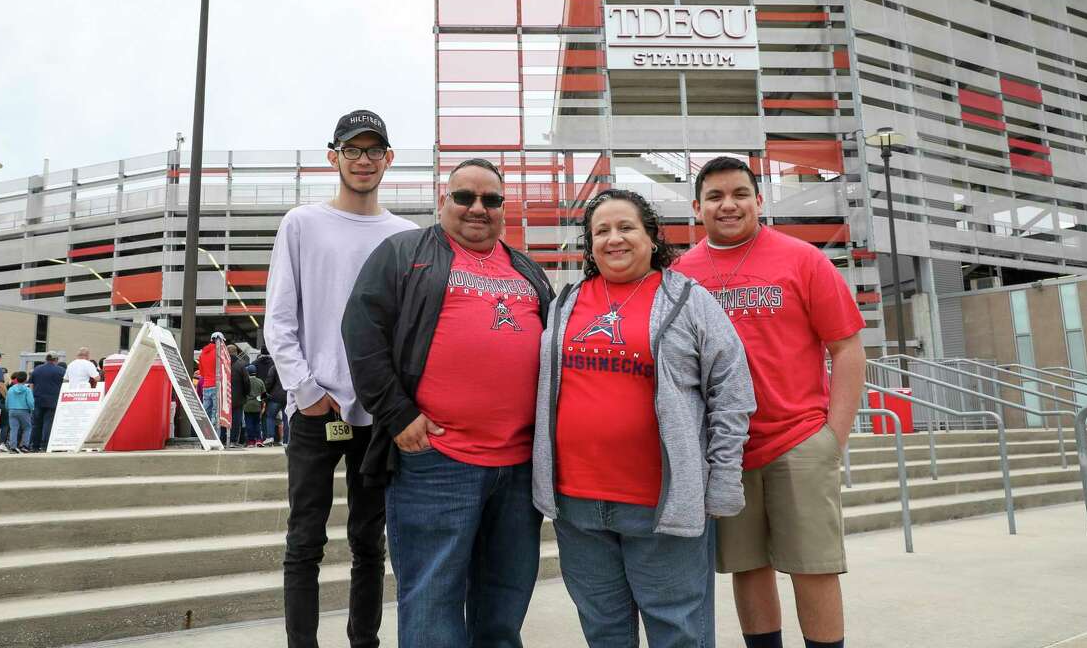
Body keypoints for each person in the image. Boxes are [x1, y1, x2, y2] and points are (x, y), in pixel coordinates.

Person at [343, 157, 555, 648]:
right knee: (432, 612)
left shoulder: (526, 269)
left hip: (518, 468)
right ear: (444, 201)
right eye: (465, 197)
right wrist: (397, 414)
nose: (478, 208)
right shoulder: (402, 254)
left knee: (502, 612)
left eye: (491, 200)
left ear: (504, 209)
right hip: (437, 463)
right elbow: (362, 332)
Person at [532, 189, 755, 647]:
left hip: (661, 505)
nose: (614, 239)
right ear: (589, 244)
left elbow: (731, 390)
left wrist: (723, 477)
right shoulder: (565, 302)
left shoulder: (689, 300)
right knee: (604, 631)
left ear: (652, 237)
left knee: (677, 631)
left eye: (626, 227)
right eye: (601, 231)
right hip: (577, 505)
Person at [672, 156, 867, 648]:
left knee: (813, 567)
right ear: (697, 207)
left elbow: (847, 347)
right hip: (724, 449)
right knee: (747, 566)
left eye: (740, 193)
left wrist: (832, 438)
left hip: (798, 438)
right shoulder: (680, 273)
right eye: (715, 196)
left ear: (759, 200)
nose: (728, 204)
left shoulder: (802, 259)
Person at [265, 109, 417, 648]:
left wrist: (395, 401)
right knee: (304, 539)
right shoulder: (302, 224)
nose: (363, 160)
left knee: (369, 544)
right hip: (316, 409)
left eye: (374, 150)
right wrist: (305, 392)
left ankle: (364, 642)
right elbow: (280, 319)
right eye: (353, 150)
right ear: (334, 157)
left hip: (378, 414)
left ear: (388, 160)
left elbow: (410, 329)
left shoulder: (406, 236)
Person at [29, 354, 64, 452]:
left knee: (36, 424)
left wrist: (33, 396)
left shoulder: (37, 369)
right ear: (56, 360)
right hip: (53, 401)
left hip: (38, 400)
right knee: (48, 424)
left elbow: (31, 384)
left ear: (46, 359)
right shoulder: (60, 370)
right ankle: (45, 445)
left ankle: (35, 446)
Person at [198, 332, 225, 432]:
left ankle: (204, 436)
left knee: (206, 413)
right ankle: (215, 438)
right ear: (220, 341)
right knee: (216, 414)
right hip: (216, 386)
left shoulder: (203, 353)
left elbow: (202, 373)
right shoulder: (219, 352)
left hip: (206, 385)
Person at [5, 371, 34, 453]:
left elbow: (7, 400)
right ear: (26, 379)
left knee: (13, 429)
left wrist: (8, 408)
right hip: (24, 410)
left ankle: (12, 447)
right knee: (27, 428)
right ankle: (24, 446)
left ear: (16, 379)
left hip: (12, 410)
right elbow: (30, 402)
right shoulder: (27, 390)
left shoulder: (11, 389)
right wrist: (31, 409)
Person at [226, 345, 249, 448]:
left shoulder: (223, 364)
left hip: (225, 397)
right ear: (236, 352)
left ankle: (222, 439)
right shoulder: (240, 365)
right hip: (238, 398)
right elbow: (246, 382)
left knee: (224, 419)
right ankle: (233, 441)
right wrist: (246, 393)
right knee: (236, 420)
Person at [262, 363, 288, 447]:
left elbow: (269, 383)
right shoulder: (289, 367)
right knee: (286, 419)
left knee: (270, 417)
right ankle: (286, 441)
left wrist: (264, 395)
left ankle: (270, 437)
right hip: (288, 396)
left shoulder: (274, 367)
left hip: (275, 397)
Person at [243, 370, 266, 448]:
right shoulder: (260, 381)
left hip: (247, 405)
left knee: (249, 423)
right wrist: (262, 404)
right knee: (257, 423)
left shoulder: (246, 381)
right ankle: (259, 440)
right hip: (257, 405)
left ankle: (251, 441)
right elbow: (264, 395)